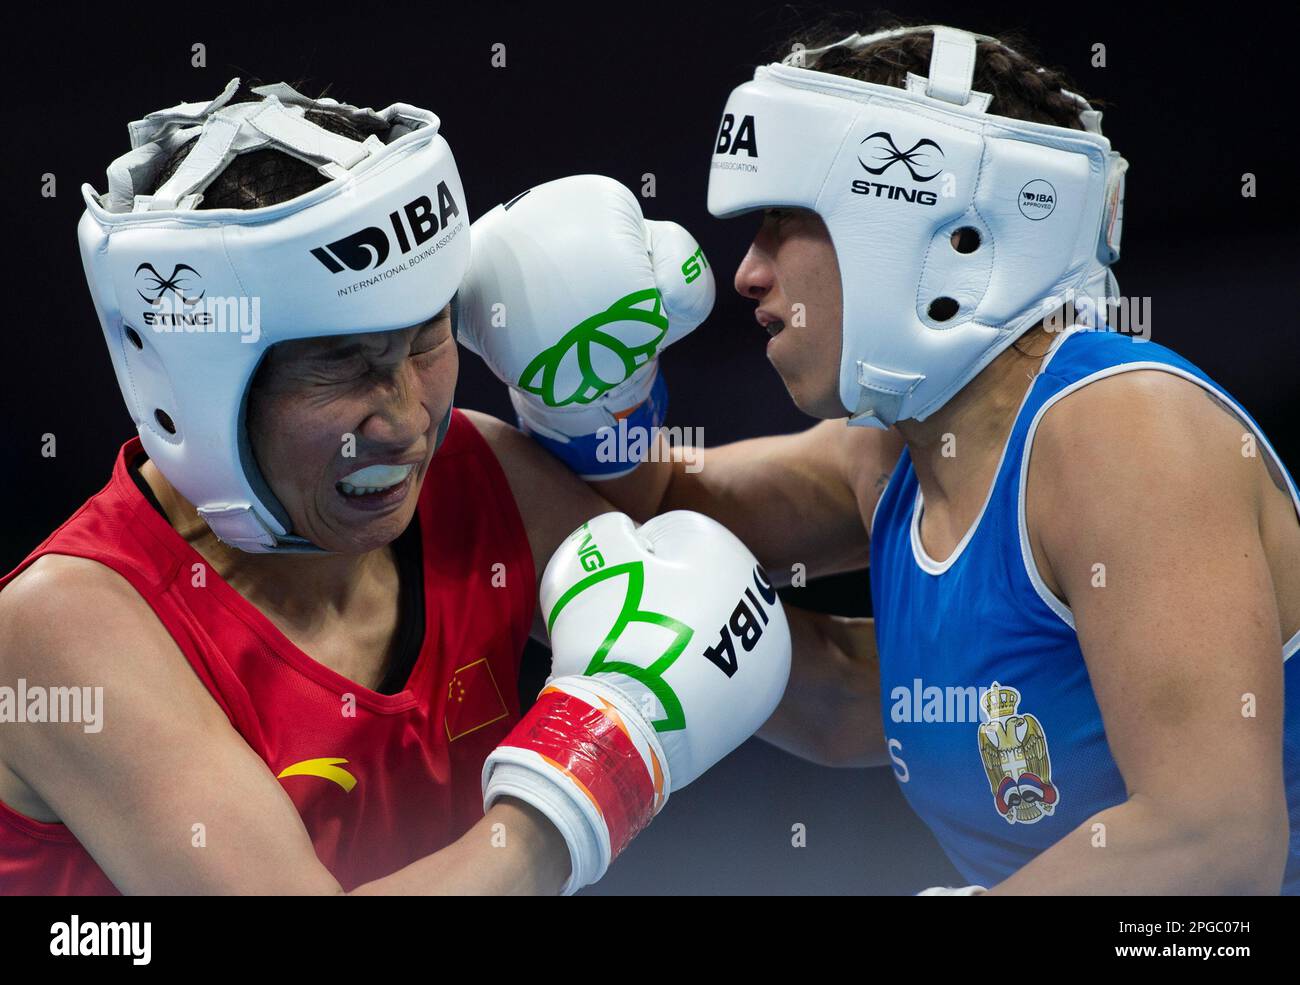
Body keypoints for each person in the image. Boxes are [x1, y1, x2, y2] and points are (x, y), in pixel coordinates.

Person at [458, 22, 1300, 894]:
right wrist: (591, 397)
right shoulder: (895, 453)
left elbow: (1216, 842)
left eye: (785, 221)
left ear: (932, 229)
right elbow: (658, 511)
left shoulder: (1122, 431)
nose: (746, 273)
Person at [0, 80, 793, 894]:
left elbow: (798, 678)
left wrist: (610, 415)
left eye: (426, 340)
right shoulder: (59, 631)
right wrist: (594, 769)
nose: (410, 422)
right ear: (199, 387)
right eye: (344, 364)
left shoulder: (472, 478)